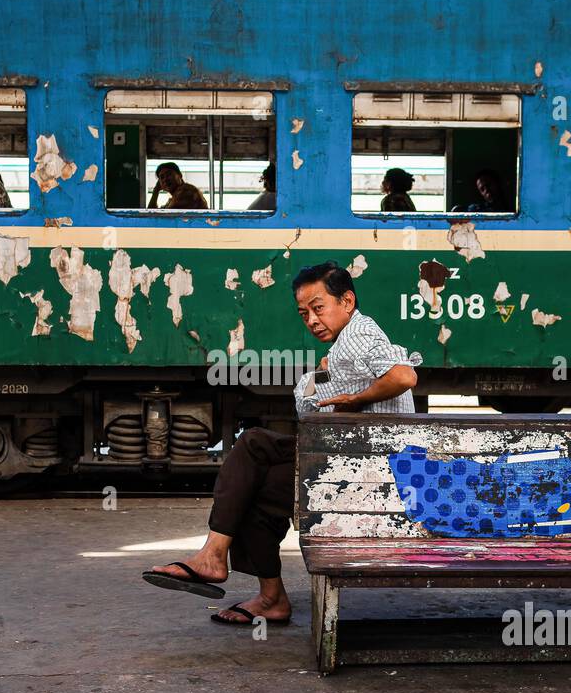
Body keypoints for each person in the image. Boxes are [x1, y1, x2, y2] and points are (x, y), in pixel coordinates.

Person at [141, 261, 420, 625]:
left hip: (371, 471)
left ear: (347, 301)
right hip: (356, 461)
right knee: (255, 479)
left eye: (318, 308)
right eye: (304, 313)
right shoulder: (348, 341)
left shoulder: (359, 334)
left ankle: (220, 561)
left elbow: (404, 376)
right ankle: (257, 589)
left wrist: (356, 398)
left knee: (254, 446)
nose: (311, 320)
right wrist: (329, 376)